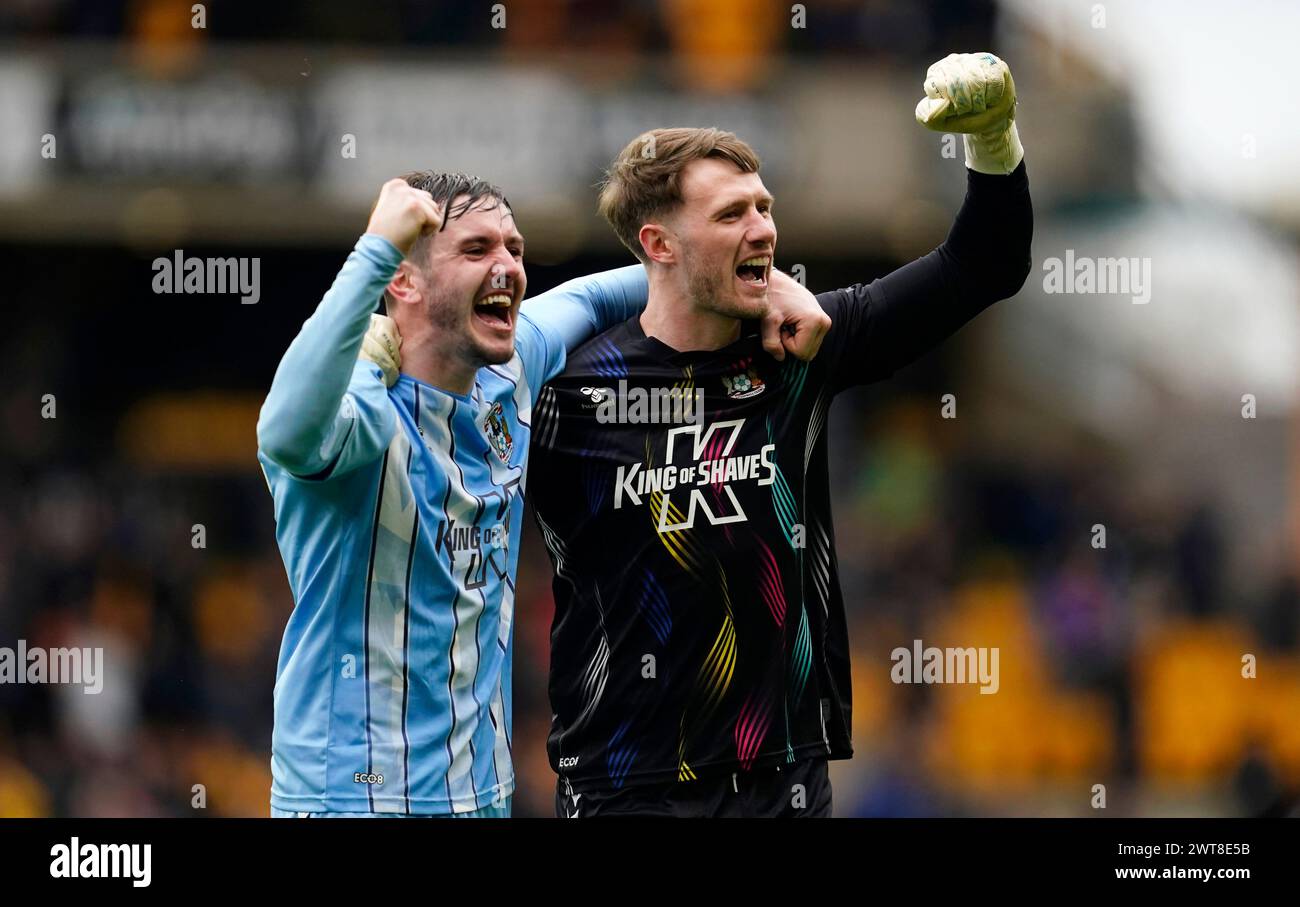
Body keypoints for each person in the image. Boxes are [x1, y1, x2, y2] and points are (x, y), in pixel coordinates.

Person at [527, 52, 1033, 816]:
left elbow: (983, 264)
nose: (762, 228)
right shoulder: (567, 390)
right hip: (623, 787)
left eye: (763, 207)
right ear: (660, 245)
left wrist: (993, 138)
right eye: (731, 214)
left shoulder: (800, 347)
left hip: (782, 784)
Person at [258, 171, 827, 817]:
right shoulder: (361, 406)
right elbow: (285, 431)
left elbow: (597, 294)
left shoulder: (511, 367)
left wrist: (763, 284)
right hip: (353, 798)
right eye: (476, 250)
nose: (506, 267)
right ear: (403, 280)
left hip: (483, 795)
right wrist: (374, 251)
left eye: (514, 249)